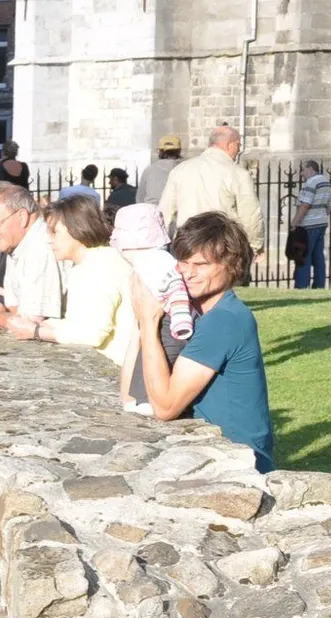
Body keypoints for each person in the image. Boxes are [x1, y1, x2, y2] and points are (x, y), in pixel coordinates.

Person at [131, 211, 275, 472]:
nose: (188, 273)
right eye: (183, 263)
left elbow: (164, 407)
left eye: (201, 264)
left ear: (232, 265)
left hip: (240, 463)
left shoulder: (225, 319)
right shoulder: (191, 315)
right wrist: (142, 318)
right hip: (217, 452)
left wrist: (149, 323)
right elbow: (129, 397)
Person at [2, 195, 140, 372]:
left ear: (76, 230)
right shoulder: (91, 262)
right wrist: (47, 324)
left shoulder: (100, 266)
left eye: (55, 232)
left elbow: (92, 334)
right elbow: (79, 322)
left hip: (118, 369)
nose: (49, 239)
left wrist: (35, 331)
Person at [111, 203, 195, 411]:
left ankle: (148, 401)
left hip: (169, 325)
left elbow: (176, 290)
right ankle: (140, 399)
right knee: (147, 355)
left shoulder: (155, 262)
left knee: (159, 357)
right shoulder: (145, 264)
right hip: (160, 322)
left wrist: (180, 319)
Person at [159, 125, 264, 259]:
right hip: (223, 246)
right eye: (238, 145)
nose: (239, 150)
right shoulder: (238, 173)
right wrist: (254, 245)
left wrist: (160, 246)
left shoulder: (180, 170)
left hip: (187, 244)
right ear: (230, 145)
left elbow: (165, 212)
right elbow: (250, 214)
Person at [0, 183, 64, 327]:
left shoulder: (40, 245)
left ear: (22, 217)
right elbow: (14, 306)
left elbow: (29, 323)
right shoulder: (17, 244)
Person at [291, 160, 331, 290]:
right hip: (321, 223)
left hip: (308, 225)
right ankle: (319, 285)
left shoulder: (311, 183)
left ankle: (302, 285)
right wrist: (321, 216)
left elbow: (305, 205)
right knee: (318, 256)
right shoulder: (326, 182)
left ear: (310, 169)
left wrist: (294, 223)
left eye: (303, 170)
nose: (301, 173)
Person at [138, 135, 182, 204]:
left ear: (159, 151)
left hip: (153, 208)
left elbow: (140, 198)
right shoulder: (187, 169)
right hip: (180, 208)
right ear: (179, 151)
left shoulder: (149, 170)